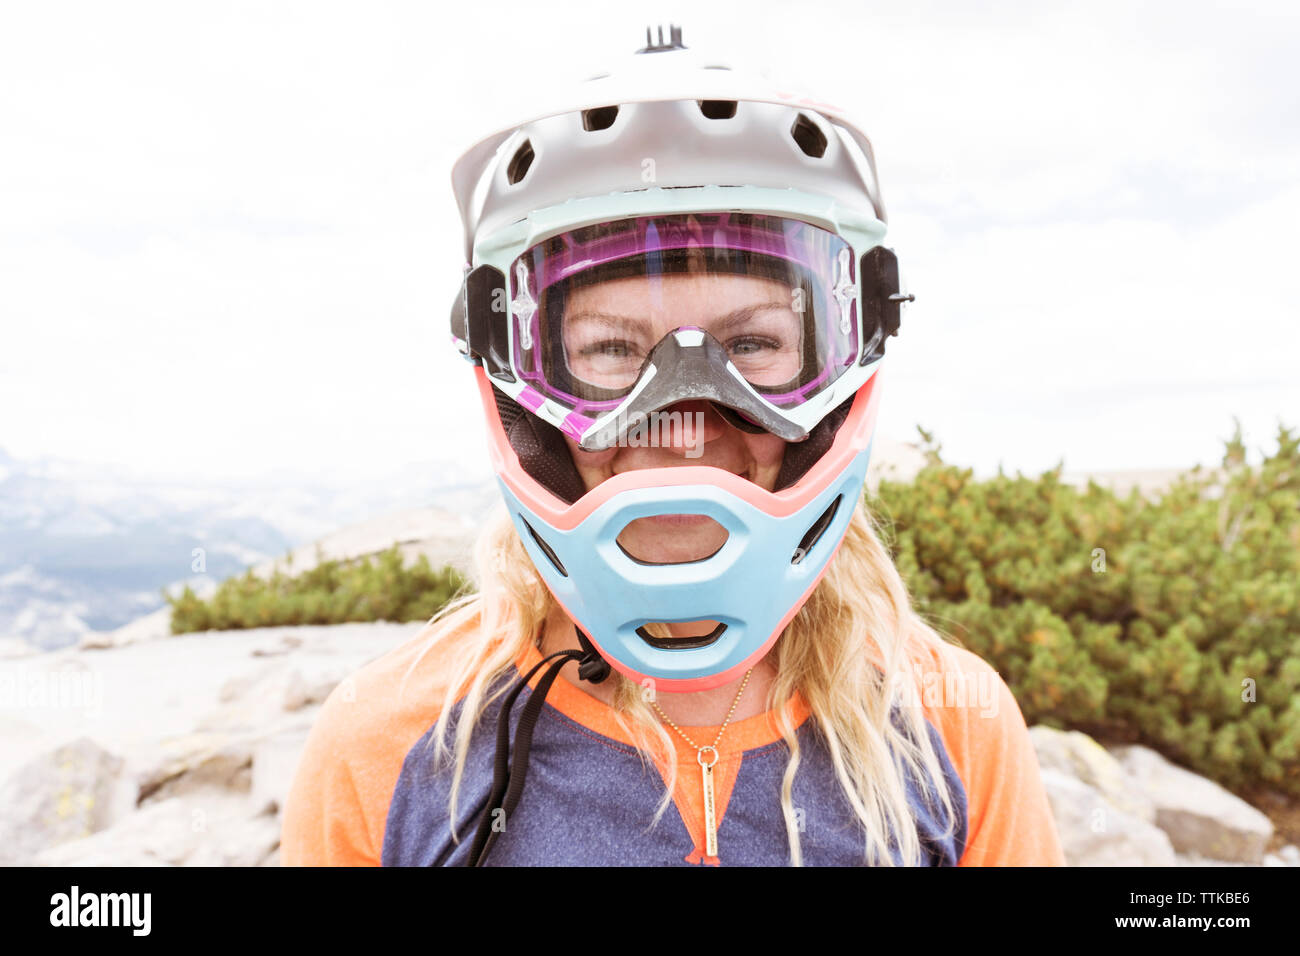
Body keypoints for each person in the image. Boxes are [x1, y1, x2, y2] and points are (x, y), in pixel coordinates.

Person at [280, 25, 1065, 867]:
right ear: (519, 387)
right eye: (613, 351)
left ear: (846, 361)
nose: (686, 422)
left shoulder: (951, 724)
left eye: (755, 346)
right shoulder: (391, 745)